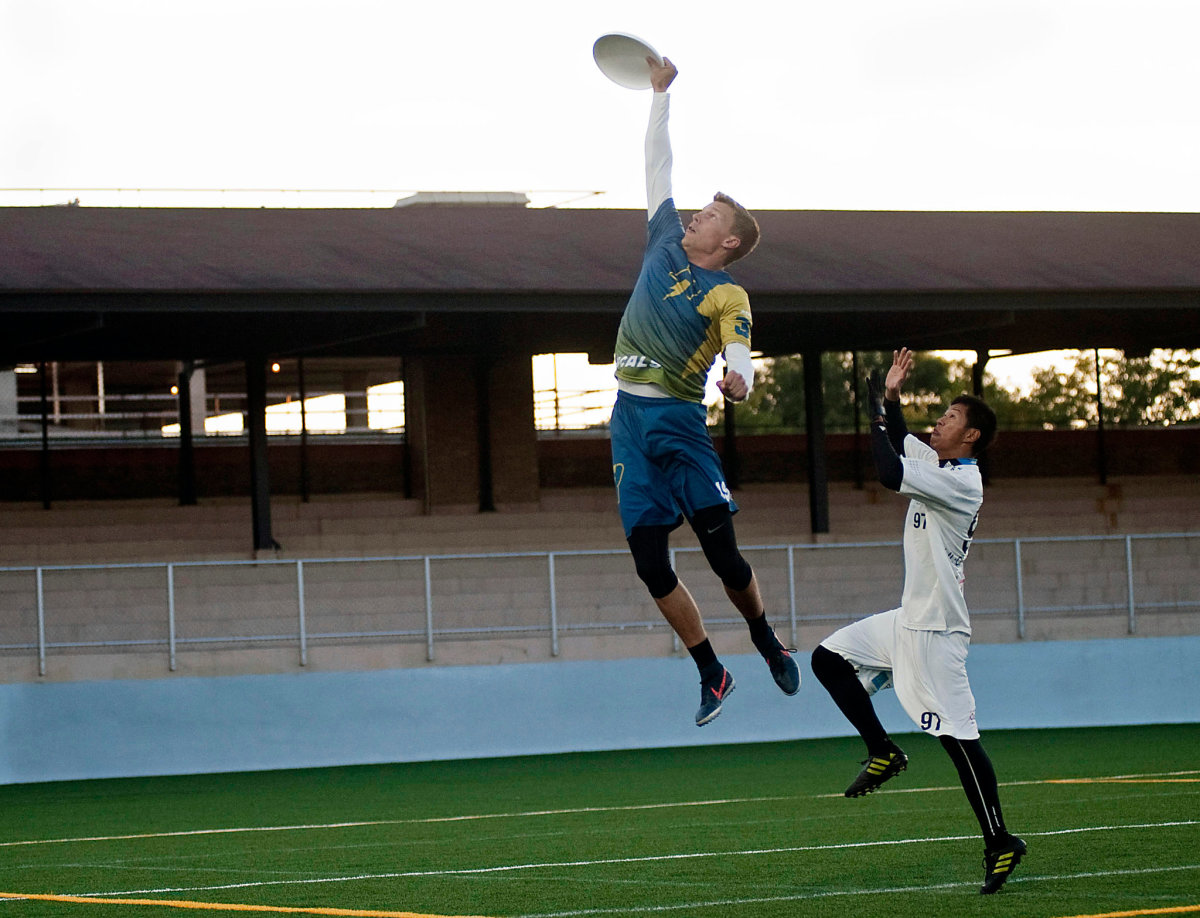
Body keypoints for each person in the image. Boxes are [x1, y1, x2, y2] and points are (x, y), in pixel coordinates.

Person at [609, 55, 799, 727]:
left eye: (712, 212)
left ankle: (764, 636)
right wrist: (660, 97)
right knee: (648, 561)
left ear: (731, 240)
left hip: (681, 425)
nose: (696, 211)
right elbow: (656, 164)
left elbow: (741, 352)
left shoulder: (727, 291)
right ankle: (711, 671)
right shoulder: (662, 235)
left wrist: (741, 378)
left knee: (723, 555)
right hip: (629, 418)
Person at [810, 347, 1026, 895]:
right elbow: (900, 441)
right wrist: (886, 395)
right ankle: (883, 748)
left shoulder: (963, 482)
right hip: (909, 620)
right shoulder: (938, 464)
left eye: (951, 418)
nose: (941, 421)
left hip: (936, 635)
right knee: (827, 658)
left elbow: (886, 469)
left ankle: (1001, 839)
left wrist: (881, 415)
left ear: (972, 436)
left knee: (959, 742)